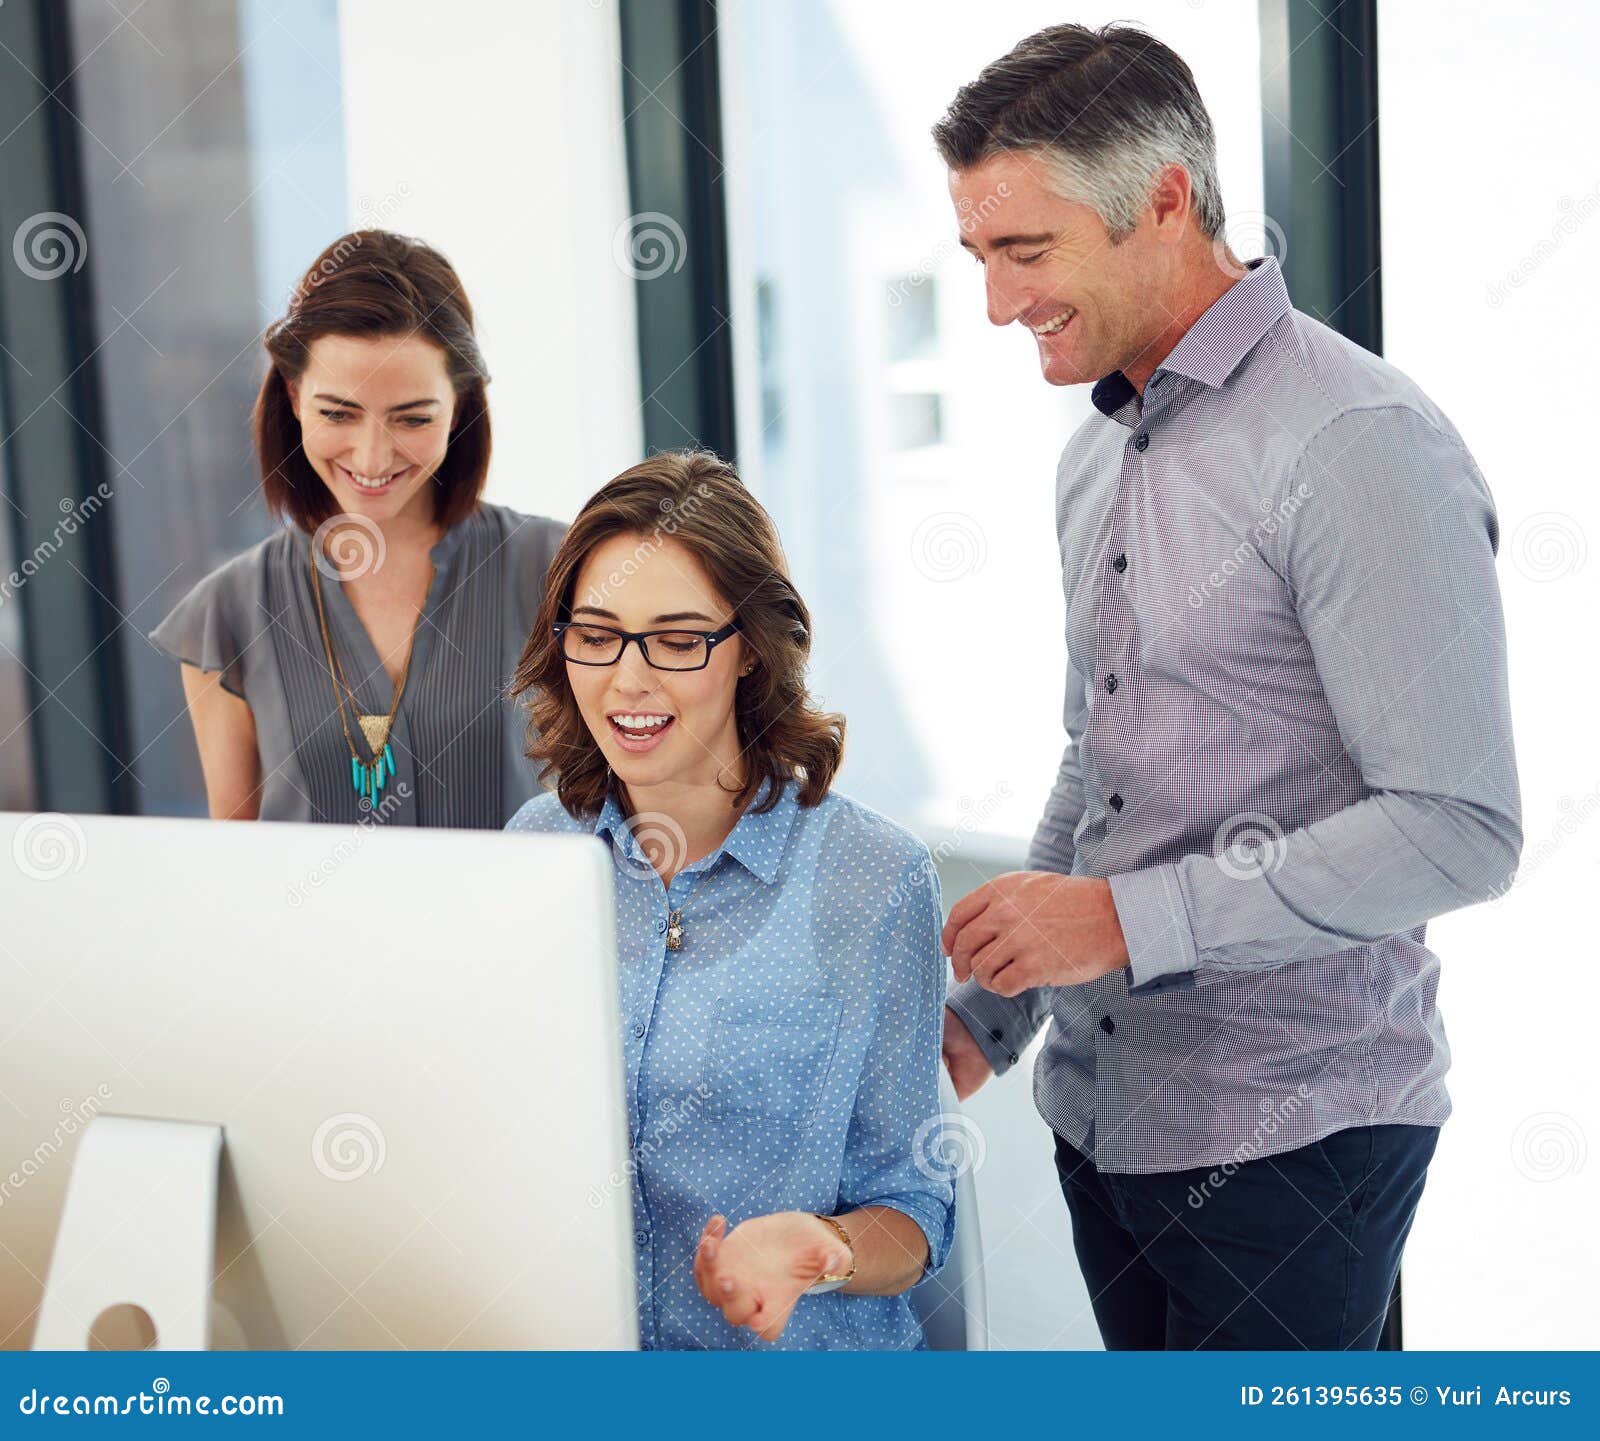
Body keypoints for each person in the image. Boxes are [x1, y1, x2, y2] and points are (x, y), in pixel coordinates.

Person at [933, 23, 1520, 1350]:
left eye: (1025, 252)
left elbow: (1458, 825)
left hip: (1297, 1143)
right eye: (977, 255)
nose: (994, 302)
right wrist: (991, 1014)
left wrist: (1129, 923)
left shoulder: (1355, 441)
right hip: (1104, 1128)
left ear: (1163, 201)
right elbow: (1101, 755)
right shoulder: (1095, 459)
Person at [505, 450, 954, 1350]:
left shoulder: (873, 877)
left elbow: (915, 1206)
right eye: (596, 634)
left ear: (749, 648)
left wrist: (820, 1246)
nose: (629, 680)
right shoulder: (535, 851)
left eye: (678, 640)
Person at [149, 230, 563, 825]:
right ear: (293, 398)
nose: (372, 459)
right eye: (337, 413)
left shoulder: (556, 568)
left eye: (413, 417)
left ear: (460, 406)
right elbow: (235, 864)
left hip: (521, 920)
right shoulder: (228, 612)